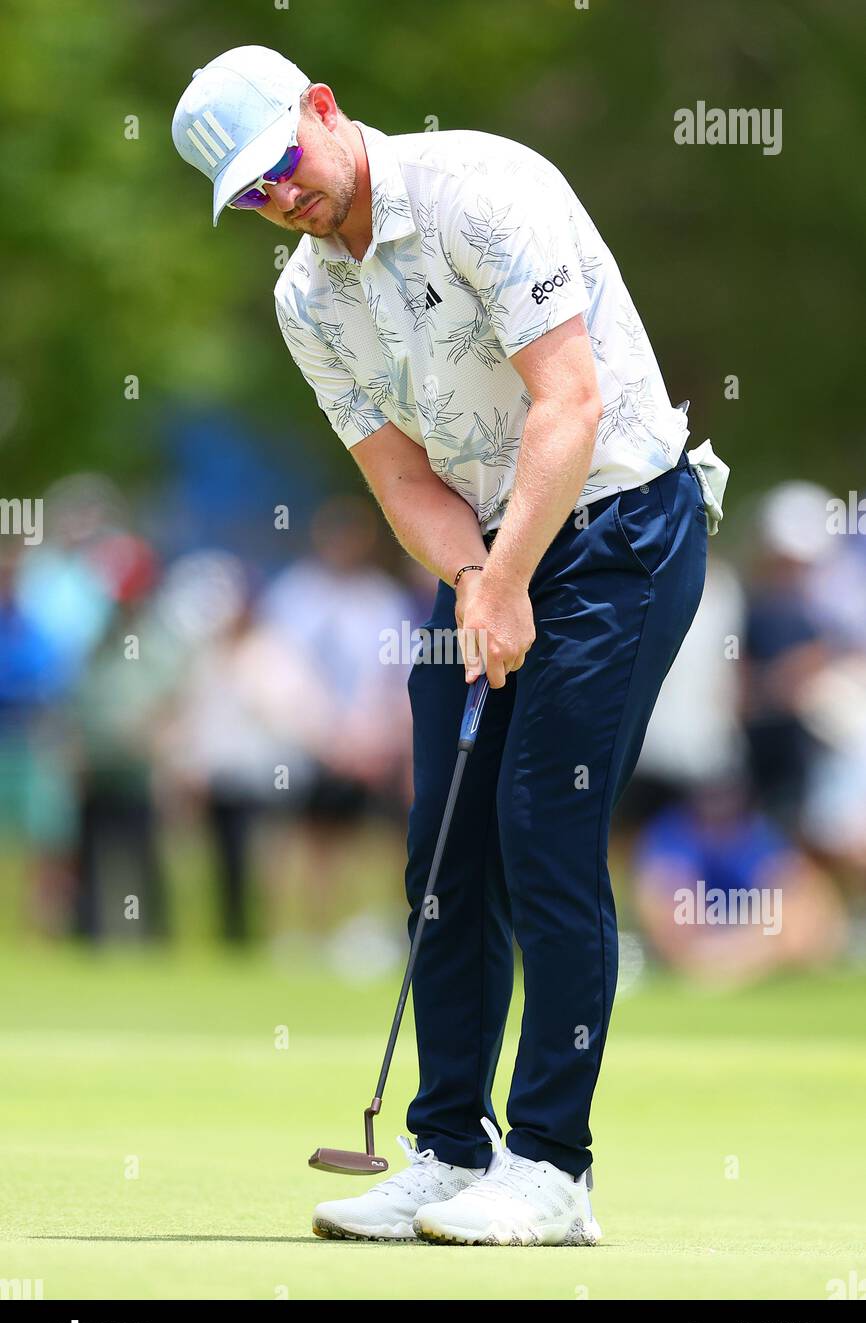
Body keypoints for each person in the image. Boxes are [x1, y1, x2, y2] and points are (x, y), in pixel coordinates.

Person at [172, 45, 711, 1246]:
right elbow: (398, 475)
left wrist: (506, 577)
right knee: (443, 849)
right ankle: (447, 1149)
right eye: (249, 193)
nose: (278, 196)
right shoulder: (306, 298)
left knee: (540, 830)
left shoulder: (481, 188)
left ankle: (552, 1166)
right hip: (483, 550)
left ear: (322, 108)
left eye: (280, 164)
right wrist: (476, 578)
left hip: (620, 526)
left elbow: (568, 402)